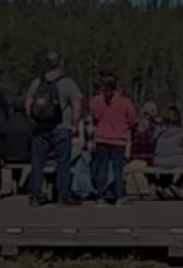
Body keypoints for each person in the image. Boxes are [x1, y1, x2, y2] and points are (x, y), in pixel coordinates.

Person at [26, 51, 84, 207]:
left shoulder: (37, 82)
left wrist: (33, 120)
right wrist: (74, 124)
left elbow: (29, 103)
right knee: (63, 162)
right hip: (61, 127)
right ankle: (63, 196)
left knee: (37, 163)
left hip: (40, 128)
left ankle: (35, 197)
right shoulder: (68, 83)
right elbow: (77, 104)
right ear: (60, 63)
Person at [89, 72, 136, 205]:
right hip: (118, 138)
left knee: (102, 168)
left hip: (102, 137)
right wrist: (125, 127)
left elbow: (94, 118)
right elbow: (132, 119)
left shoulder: (96, 101)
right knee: (117, 169)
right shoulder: (125, 102)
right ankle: (119, 196)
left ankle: (100, 196)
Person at [152, 106, 183, 199]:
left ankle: (162, 185)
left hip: (158, 160)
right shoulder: (181, 130)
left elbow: (153, 142)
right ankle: (177, 185)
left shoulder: (159, 129)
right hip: (175, 160)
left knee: (166, 164)